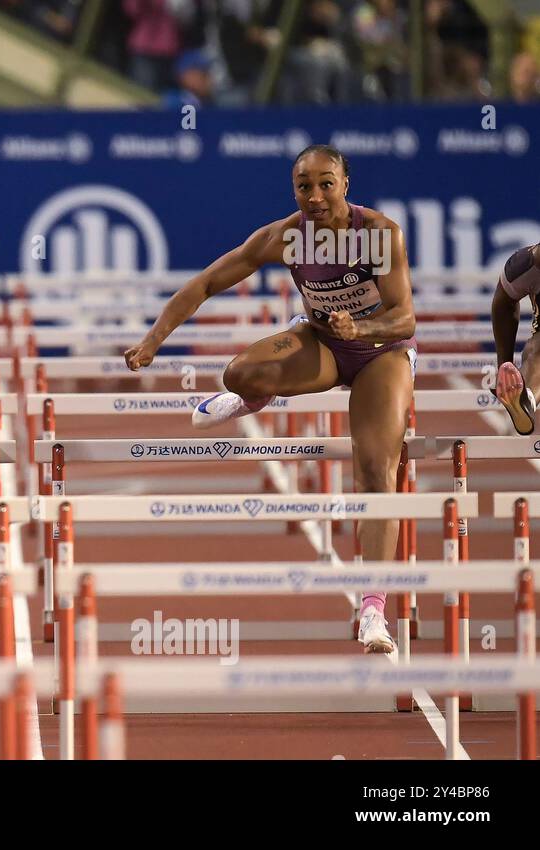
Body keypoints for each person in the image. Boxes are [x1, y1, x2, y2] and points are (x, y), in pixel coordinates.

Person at [124, 145, 416, 654]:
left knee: (373, 469)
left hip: (381, 354)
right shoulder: (287, 236)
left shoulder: (379, 234)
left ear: (346, 182)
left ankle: (373, 609)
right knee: (239, 373)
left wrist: (362, 326)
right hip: (324, 343)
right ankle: (254, 399)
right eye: (304, 186)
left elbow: (405, 318)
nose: (316, 196)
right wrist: (154, 340)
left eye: (326, 183)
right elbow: (208, 281)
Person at [490, 243, 540, 434]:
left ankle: (527, 397)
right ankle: (524, 399)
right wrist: (505, 365)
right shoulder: (528, 263)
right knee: (536, 349)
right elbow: (504, 302)